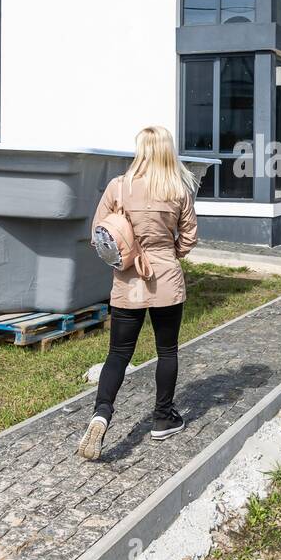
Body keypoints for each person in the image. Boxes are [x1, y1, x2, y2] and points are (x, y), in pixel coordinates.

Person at [76, 126, 199, 461]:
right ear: (166, 152)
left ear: (141, 150)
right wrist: (170, 252)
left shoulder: (119, 186)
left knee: (118, 354)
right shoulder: (178, 189)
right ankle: (162, 418)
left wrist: (127, 253)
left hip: (128, 280)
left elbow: (98, 234)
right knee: (167, 350)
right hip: (166, 280)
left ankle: (101, 413)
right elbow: (189, 236)